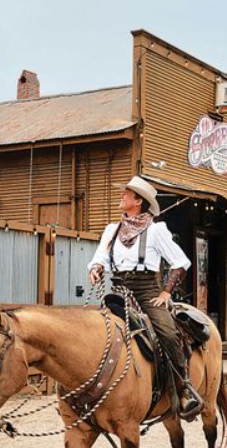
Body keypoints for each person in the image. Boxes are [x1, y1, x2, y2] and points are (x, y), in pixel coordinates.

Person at [87, 176, 203, 420]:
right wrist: (95, 269)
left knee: (168, 332)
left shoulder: (156, 230)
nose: (122, 196)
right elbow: (99, 258)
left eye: (126, 193)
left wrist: (166, 293)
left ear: (138, 201)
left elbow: (180, 262)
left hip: (147, 292)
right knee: (92, 332)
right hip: (117, 292)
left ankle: (184, 387)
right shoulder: (112, 230)